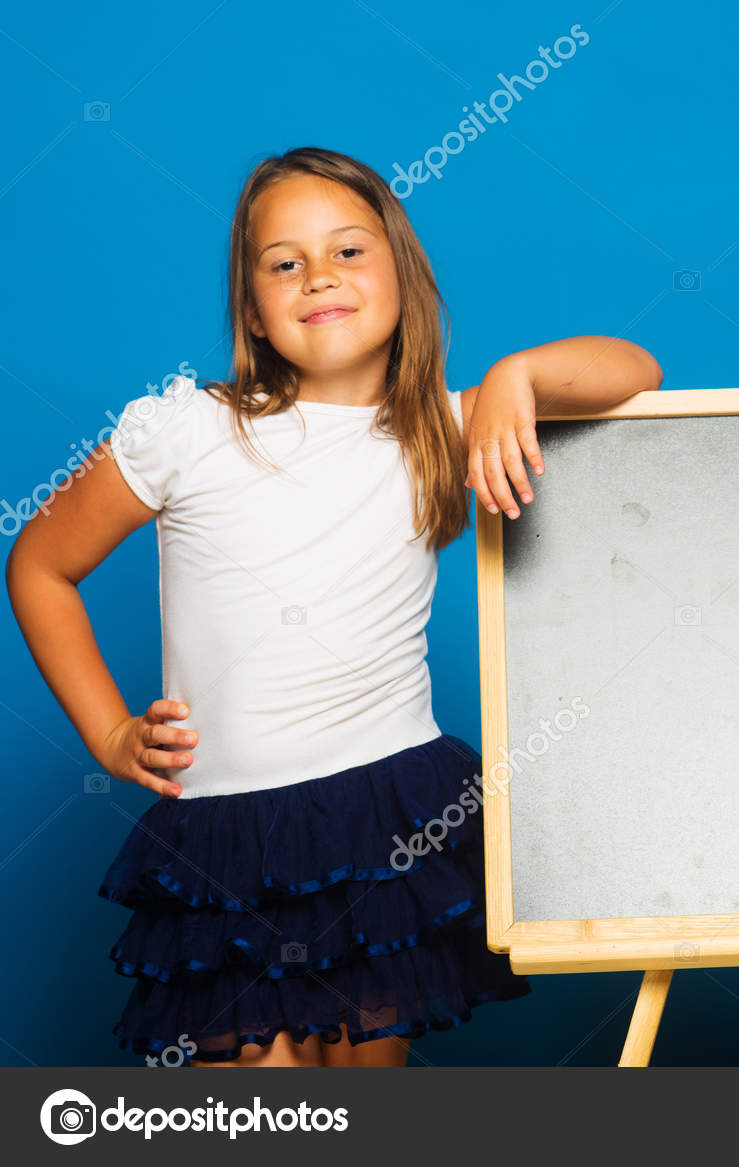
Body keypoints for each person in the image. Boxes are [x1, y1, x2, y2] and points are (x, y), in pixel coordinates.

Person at [5, 146, 662, 1066]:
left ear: (403, 272)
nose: (319, 276)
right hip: (225, 830)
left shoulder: (442, 425)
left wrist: (517, 373)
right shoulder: (190, 428)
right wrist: (110, 734)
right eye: (285, 262)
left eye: (349, 251)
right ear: (255, 310)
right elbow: (38, 564)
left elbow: (635, 368)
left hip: (384, 813)